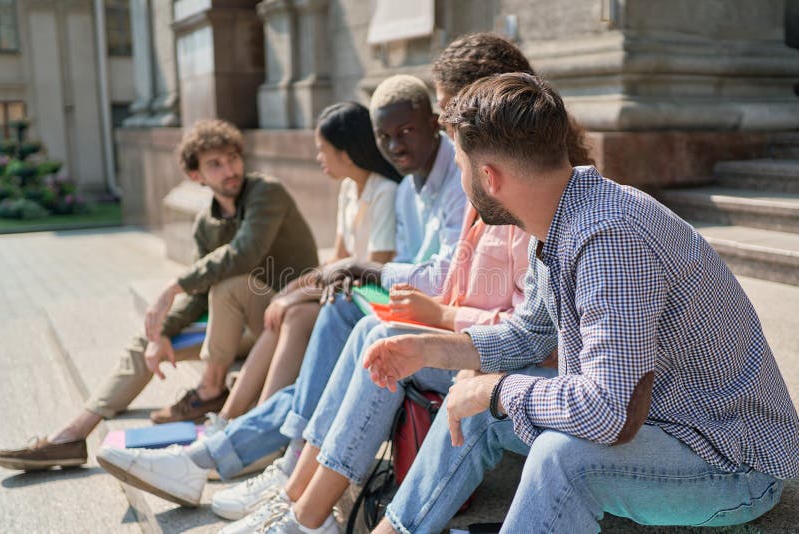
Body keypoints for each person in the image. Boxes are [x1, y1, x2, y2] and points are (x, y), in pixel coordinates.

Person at [365, 73, 799, 533]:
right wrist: (429, 350)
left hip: (729, 463)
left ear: (488, 178)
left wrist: (495, 391)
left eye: (460, 165)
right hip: (661, 424)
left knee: (558, 456)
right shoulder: (559, 215)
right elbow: (528, 336)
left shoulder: (609, 240)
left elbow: (607, 410)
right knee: (479, 403)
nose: (461, 178)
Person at [219, 31, 592, 534]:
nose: (440, 132)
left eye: (443, 116)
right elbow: (475, 289)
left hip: (547, 377)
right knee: (370, 332)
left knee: (397, 346)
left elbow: (549, 349)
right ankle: (297, 499)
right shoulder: (495, 195)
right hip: (502, 351)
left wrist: (440, 324)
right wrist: (426, 317)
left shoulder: (543, 208)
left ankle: (302, 512)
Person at [94, 75, 467, 507]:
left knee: (332, 325)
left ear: (435, 121)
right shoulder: (408, 190)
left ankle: (258, 458)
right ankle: (224, 450)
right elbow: (373, 267)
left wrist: (345, 278)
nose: (396, 145)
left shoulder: (450, 180)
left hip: (442, 326)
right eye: (385, 136)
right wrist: (319, 284)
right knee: (327, 328)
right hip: (394, 310)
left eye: (406, 132)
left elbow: (432, 276)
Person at [0, 119, 319, 471]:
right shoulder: (206, 224)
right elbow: (198, 297)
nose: (229, 169)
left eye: (232, 158)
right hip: (243, 331)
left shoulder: (266, 193)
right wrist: (163, 332)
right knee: (148, 337)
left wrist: (173, 285)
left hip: (288, 325)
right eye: (215, 164)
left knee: (233, 284)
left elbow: (243, 254)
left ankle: (211, 392)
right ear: (196, 176)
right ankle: (72, 435)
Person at [205, 101, 402, 434]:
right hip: (342, 293)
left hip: (366, 305)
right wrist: (288, 291)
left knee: (294, 315)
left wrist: (294, 298)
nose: (319, 159)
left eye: (323, 151)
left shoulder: (386, 192)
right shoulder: (348, 190)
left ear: (347, 152)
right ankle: (227, 419)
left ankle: (258, 431)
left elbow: (375, 270)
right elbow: (335, 262)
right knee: (281, 311)